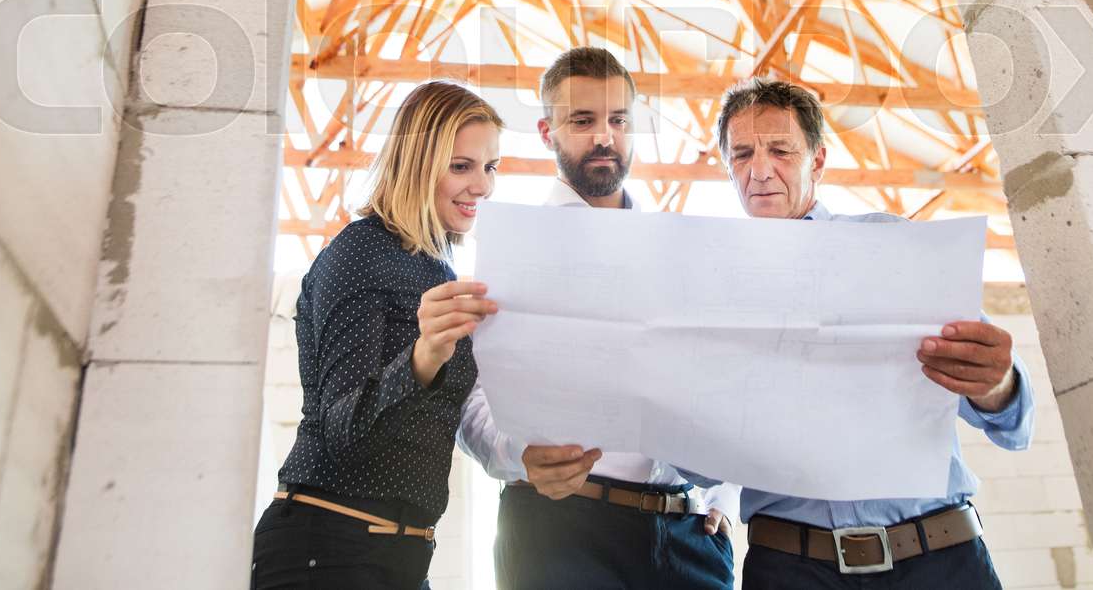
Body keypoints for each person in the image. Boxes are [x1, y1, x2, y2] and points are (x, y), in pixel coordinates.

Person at [717, 77, 1032, 589]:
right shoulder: (711, 288)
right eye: (742, 153)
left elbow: (1010, 420)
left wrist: (998, 385)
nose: (759, 170)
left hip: (938, 558)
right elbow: (699, 466)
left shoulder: (892, 246)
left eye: (779, 150)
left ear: (816, 161)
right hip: (791, 568)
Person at [458, 47, 738, 589]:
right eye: (582, 121)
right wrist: (520, 456)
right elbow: (470, 400)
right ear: (546, 132)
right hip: (560, 533)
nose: (604, 136)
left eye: (618, 120)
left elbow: (727, 379)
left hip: (687, 537)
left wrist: (725, 492)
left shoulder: (679, 250)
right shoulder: (510, 251)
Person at [252, 81, 504, 590]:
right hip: (326, 550)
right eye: (461, 166)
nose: (482, 186)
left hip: (402, 556)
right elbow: (341, 429)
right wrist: (424, 356)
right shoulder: (361, 251)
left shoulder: (436, 268)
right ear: (416, 164)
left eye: (490, 166)